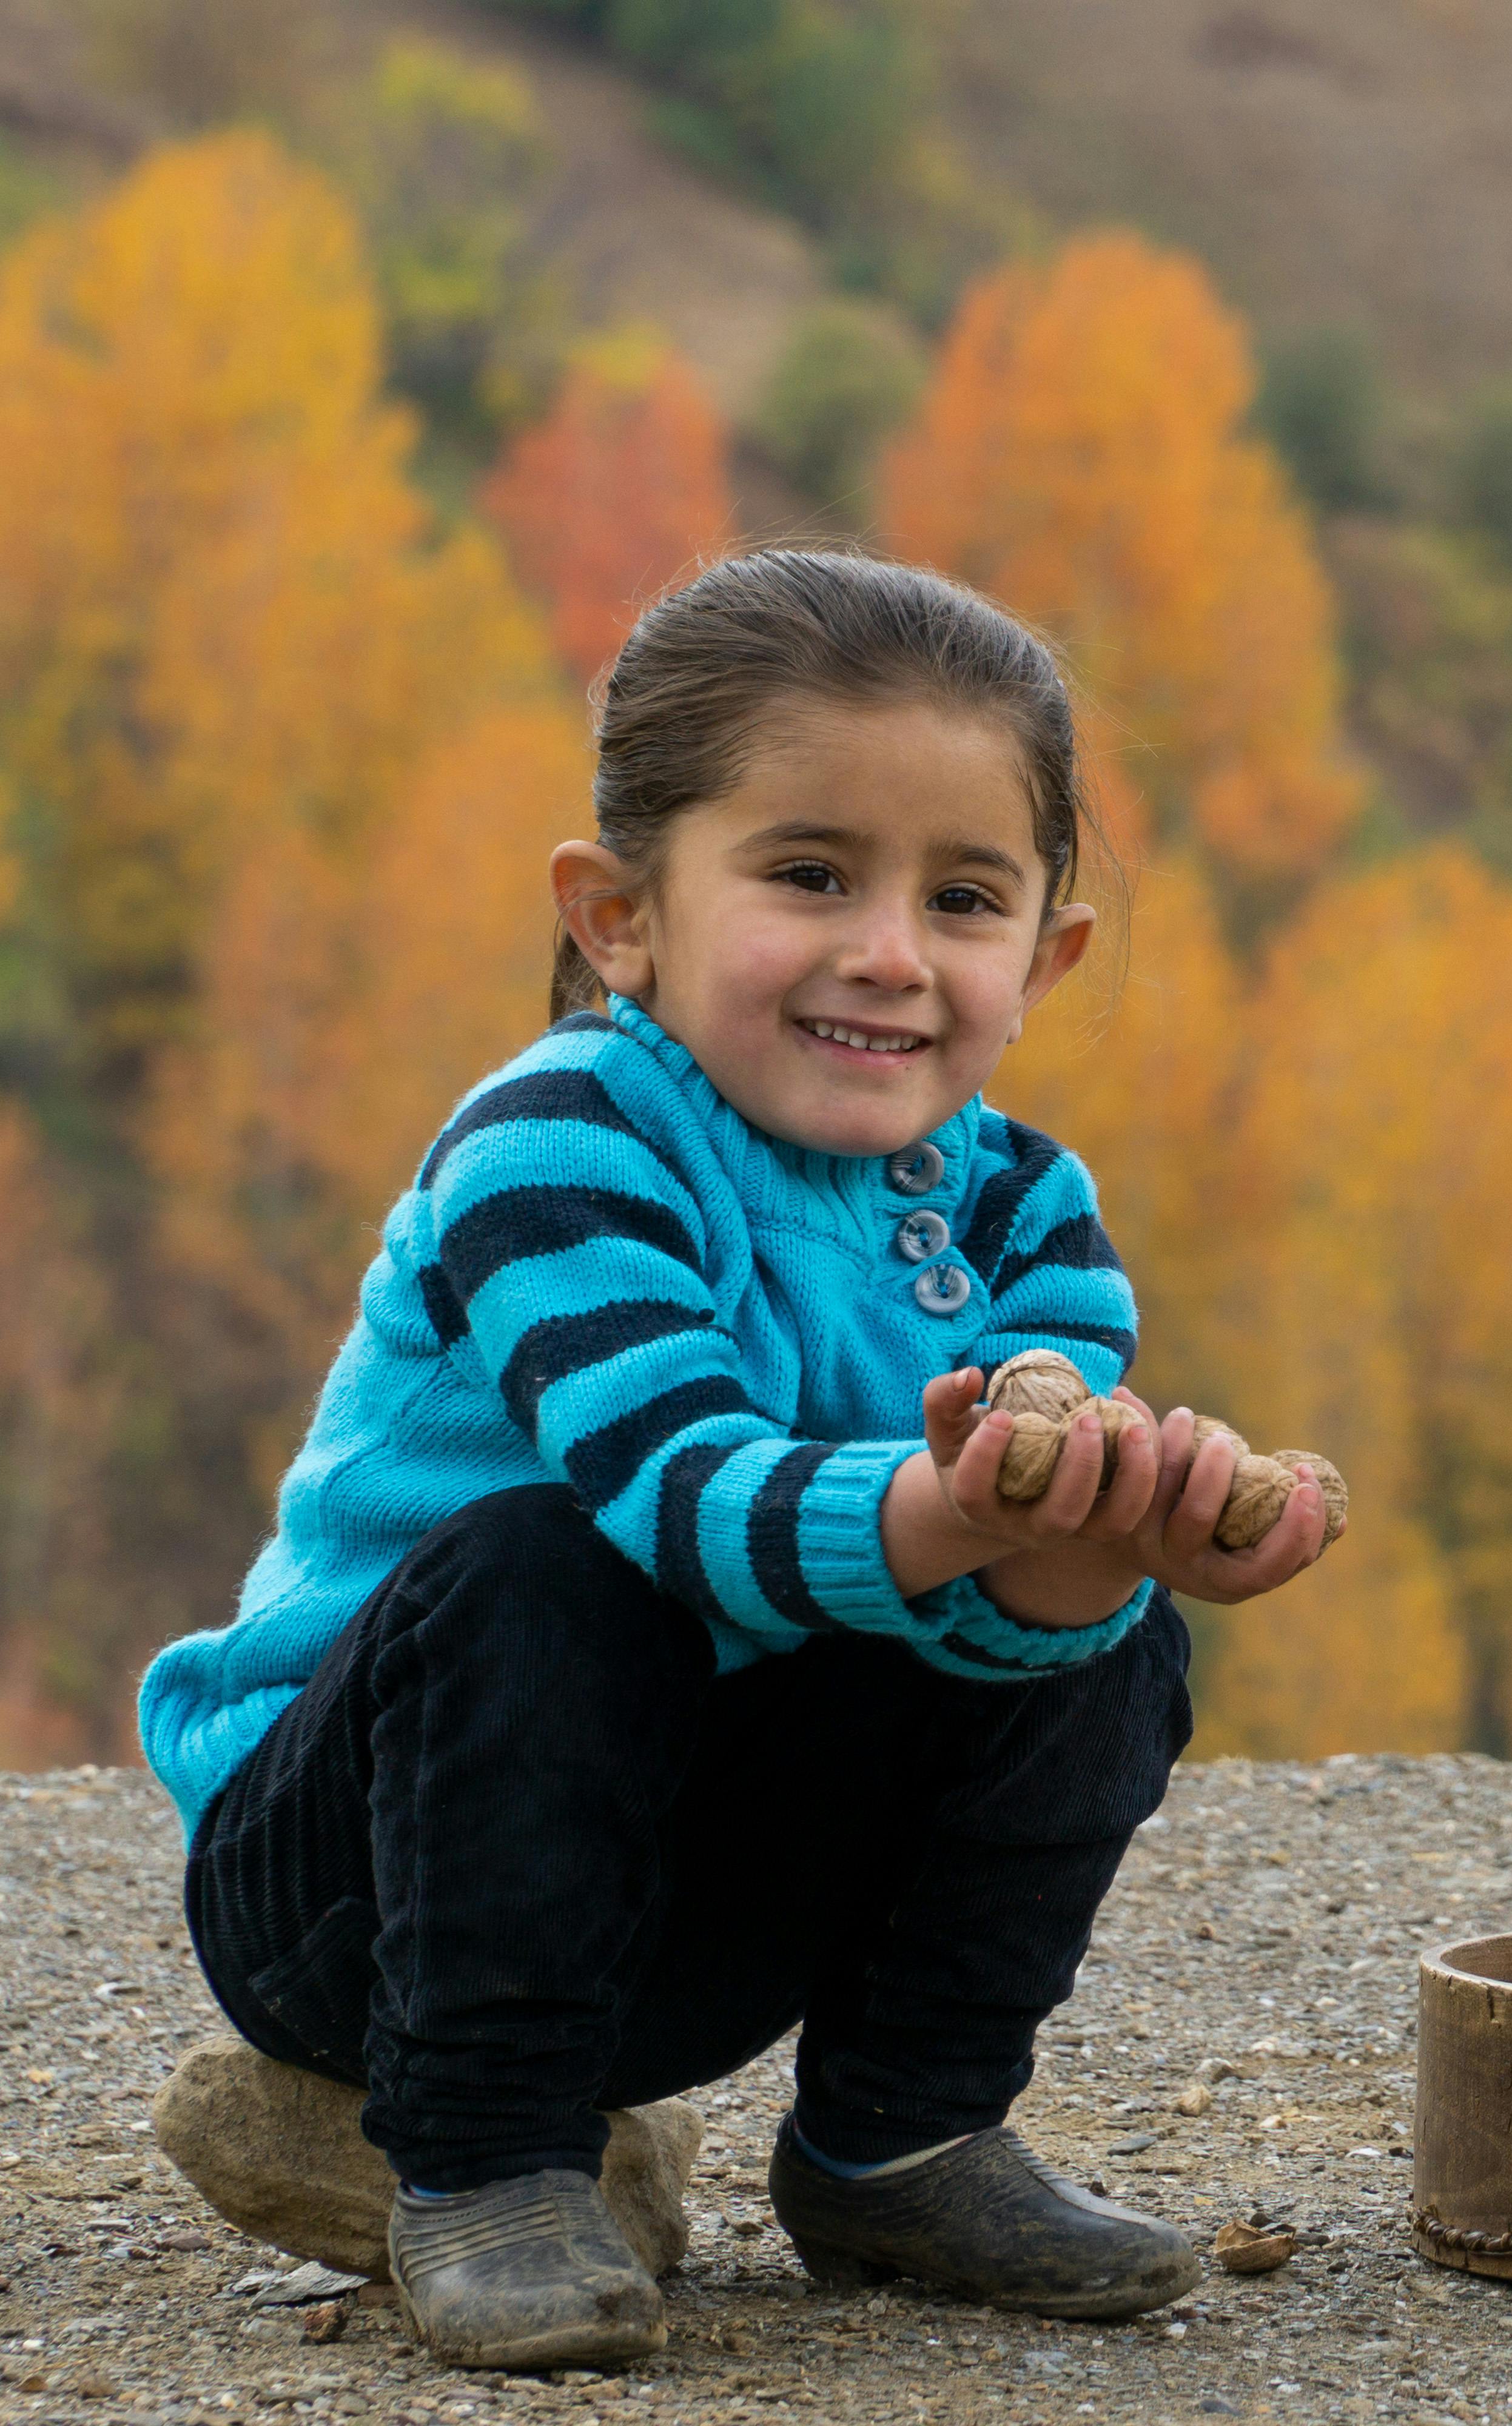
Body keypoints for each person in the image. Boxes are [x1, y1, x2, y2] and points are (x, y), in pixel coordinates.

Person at [136, 549, 1331, 2372]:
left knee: (1116, 1642)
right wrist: (953, 1509)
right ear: (622, 914)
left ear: (1047, 953)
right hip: (369, 1887)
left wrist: (1107, 1542)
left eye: (965, 897)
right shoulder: (561, 1144)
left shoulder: (1028, 1212)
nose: (887, 952)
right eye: (807, 875)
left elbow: (1004, 1590)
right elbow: (682, 1507)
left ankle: (898, 2141)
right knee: (546, 1565)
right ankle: (482, 2163)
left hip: (675, 1893)